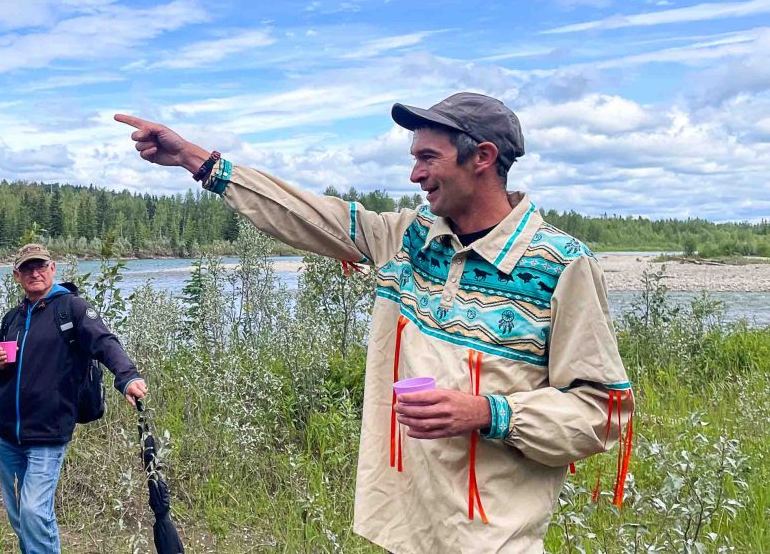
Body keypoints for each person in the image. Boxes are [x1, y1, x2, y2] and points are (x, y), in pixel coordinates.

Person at [115, 92, 633, 554]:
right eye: (414, 159)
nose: (414, 175)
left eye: (428, 157)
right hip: (407, 530)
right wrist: (194, 159)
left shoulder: (561, 265)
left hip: (490, 538)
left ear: (483, 157)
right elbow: (310, 215)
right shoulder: (407, 239)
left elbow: (602, 411)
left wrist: (487, 412)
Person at [0, 243, 148, 554]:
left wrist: (127, 377)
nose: (34, 272)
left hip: (48, 431)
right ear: (16, 276)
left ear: (53, 268)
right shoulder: (13, 319)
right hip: (8, 435)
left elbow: (104, 342)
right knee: (19, 514)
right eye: (27, 268)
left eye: (40, 266)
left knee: (35, 512)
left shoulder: (71, 309)